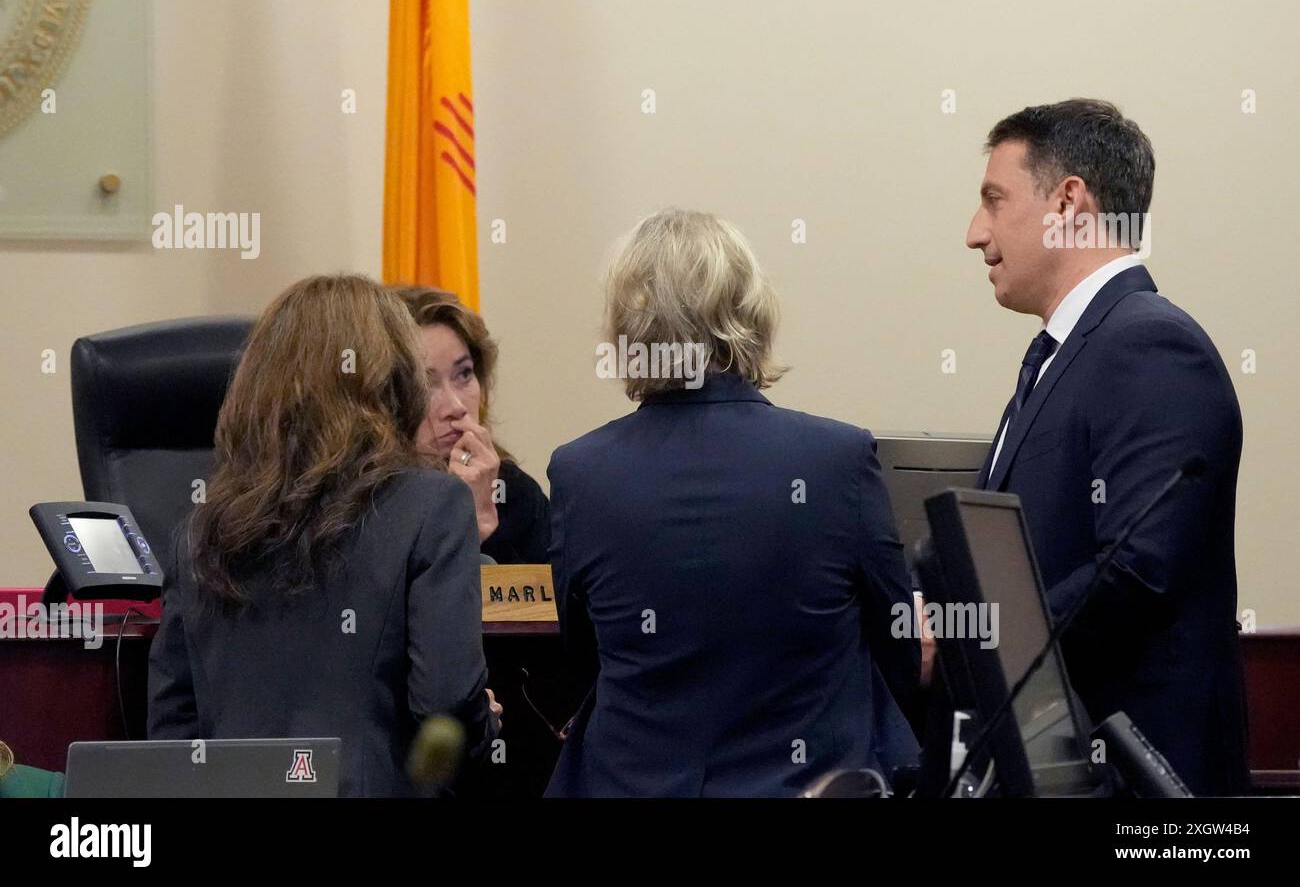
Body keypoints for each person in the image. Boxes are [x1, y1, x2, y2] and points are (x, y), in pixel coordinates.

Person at [545, 209, 921, 797]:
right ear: (748, 311)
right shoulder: (838, 457)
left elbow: (580, 658)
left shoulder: (579, 472)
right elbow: (900, 654)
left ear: (625, 329)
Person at [965, 99, 1249, 795]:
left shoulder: (1149, 345)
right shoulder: (1061, 356)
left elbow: (1138, 570)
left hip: (1136, 787)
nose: (976, 233)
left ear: (1068, 202)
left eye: (994, 201)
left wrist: (981, 634)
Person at [148, 274, 501, 796]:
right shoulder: (432, 504)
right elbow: (443, 704)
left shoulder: (200, 527)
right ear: (390, 381)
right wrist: (486, 725)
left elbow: (172, 726)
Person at [394, 286, 550, 565]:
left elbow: (550, 605)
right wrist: (463, 533)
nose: (456, 406)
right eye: (425, 384)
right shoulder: (369, 505)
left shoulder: (513, 493)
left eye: (464, 374)